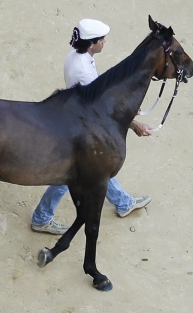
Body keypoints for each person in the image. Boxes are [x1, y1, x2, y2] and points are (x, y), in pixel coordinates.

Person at [32, 19, 153, 233]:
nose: (105, 42)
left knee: (97, 168)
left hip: (74, 115)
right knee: (69, 173)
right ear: (91, 43)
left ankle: (123, 202)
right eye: (101, 40)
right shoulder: (84, 70)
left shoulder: (78, 57)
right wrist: (133, 124)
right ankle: (41, 217)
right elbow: (100, 107)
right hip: (81, 125)